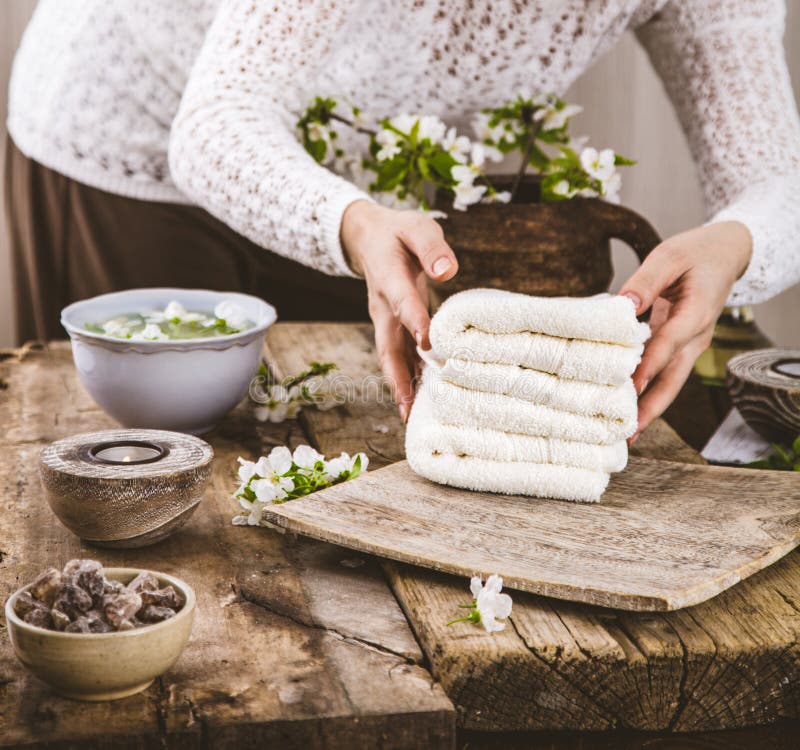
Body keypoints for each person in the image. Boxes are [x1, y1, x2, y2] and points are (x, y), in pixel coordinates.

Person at [6, 0, 800, 439]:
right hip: (137, 137)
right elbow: (217, 123)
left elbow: (778, 179)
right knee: (163, 468)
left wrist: (738, 244)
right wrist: (348, 223)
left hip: (349, 169)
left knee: (339, 447)